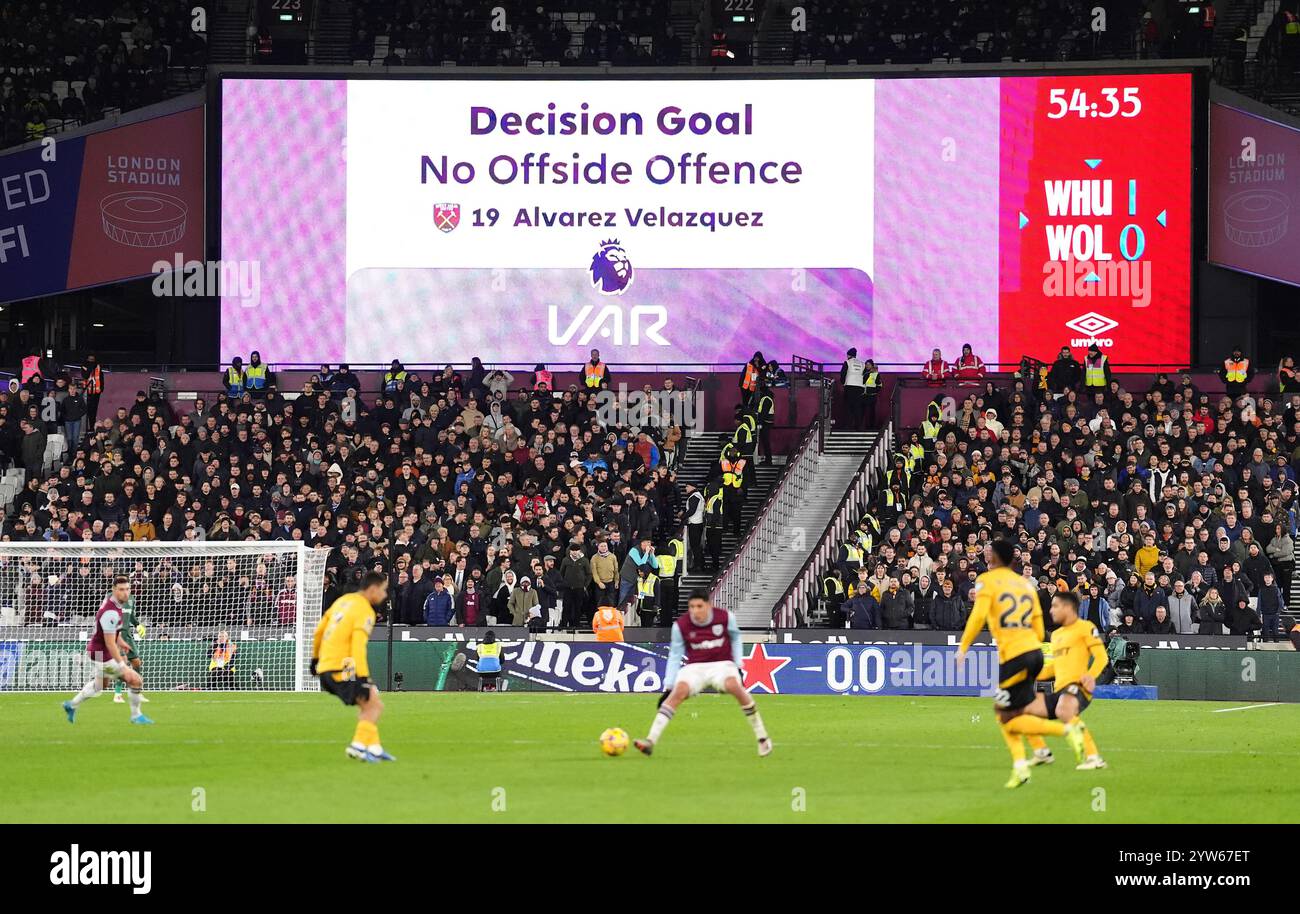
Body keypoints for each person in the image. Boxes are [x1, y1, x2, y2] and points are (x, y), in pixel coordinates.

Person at [955, 540, 1083, 789]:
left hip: (1015, 657)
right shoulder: (1026, 585)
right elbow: (1038, 626)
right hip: (1033, 652)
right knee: (1019, 709)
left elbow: (978, 615)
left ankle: (1048, 746)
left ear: (993, 559)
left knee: (1004, 715)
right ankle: (1041, 751)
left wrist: (963, 647)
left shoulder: (987, 580)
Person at [634, 590, 771, 757]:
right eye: (691, 607)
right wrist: (669, 686)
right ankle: (650, 741)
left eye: (699, 606)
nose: (695, 611)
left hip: (722, 665)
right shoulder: (681, 625)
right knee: (678, 692)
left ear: (708, 605)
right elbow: (675, 655)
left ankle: (762, 738)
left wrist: (738, 666)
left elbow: (735, 638)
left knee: (735, 687)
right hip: (696, 667)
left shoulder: (726, 618)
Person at [310, 571, 395, 762]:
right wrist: (363, 678)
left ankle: (374, 748)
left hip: (326, 666)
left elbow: (319, 631)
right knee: (374, 706)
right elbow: (358, 646)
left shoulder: (344, 601)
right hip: (341, 668)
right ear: (372, 589)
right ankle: (357, 746)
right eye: (383, 590)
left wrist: (315, 659)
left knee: (371, 701)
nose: (384, 595)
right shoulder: (365, 610)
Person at [1020, 591, 1109, 770]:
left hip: (1078, 687)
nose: (1051, 610)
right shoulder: (1056, 635)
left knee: (1064, 709)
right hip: (1060, 690)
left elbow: (1101, 658)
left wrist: (1091, 675)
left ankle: (1094, 757)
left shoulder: (1086, 627)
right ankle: (1041, 753)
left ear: (1068, 608)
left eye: (1055, 606)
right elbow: (1055, 667)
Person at [62, 576, 153, 725]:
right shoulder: (111, 612)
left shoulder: (113, 603)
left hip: (95, 650)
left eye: (128, 589)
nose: (126, 593)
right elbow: (110, 644)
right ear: (114, 590)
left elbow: (111, 633)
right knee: (135, 680)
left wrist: (122, 642)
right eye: (121, 589)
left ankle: (71, 705)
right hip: (102, 654)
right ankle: (136, 716)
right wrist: (122, 665)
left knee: (100, 686)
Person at [840, 347, 867, 429]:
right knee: (858, 407)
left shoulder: (847, 362)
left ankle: (848, 426)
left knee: (849, 406)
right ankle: (858, 426)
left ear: (848, 355)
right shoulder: (862, 364)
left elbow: (843, 374)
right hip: (860, 387)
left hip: (849, 386)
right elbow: (865, 375)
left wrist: (843, 382)